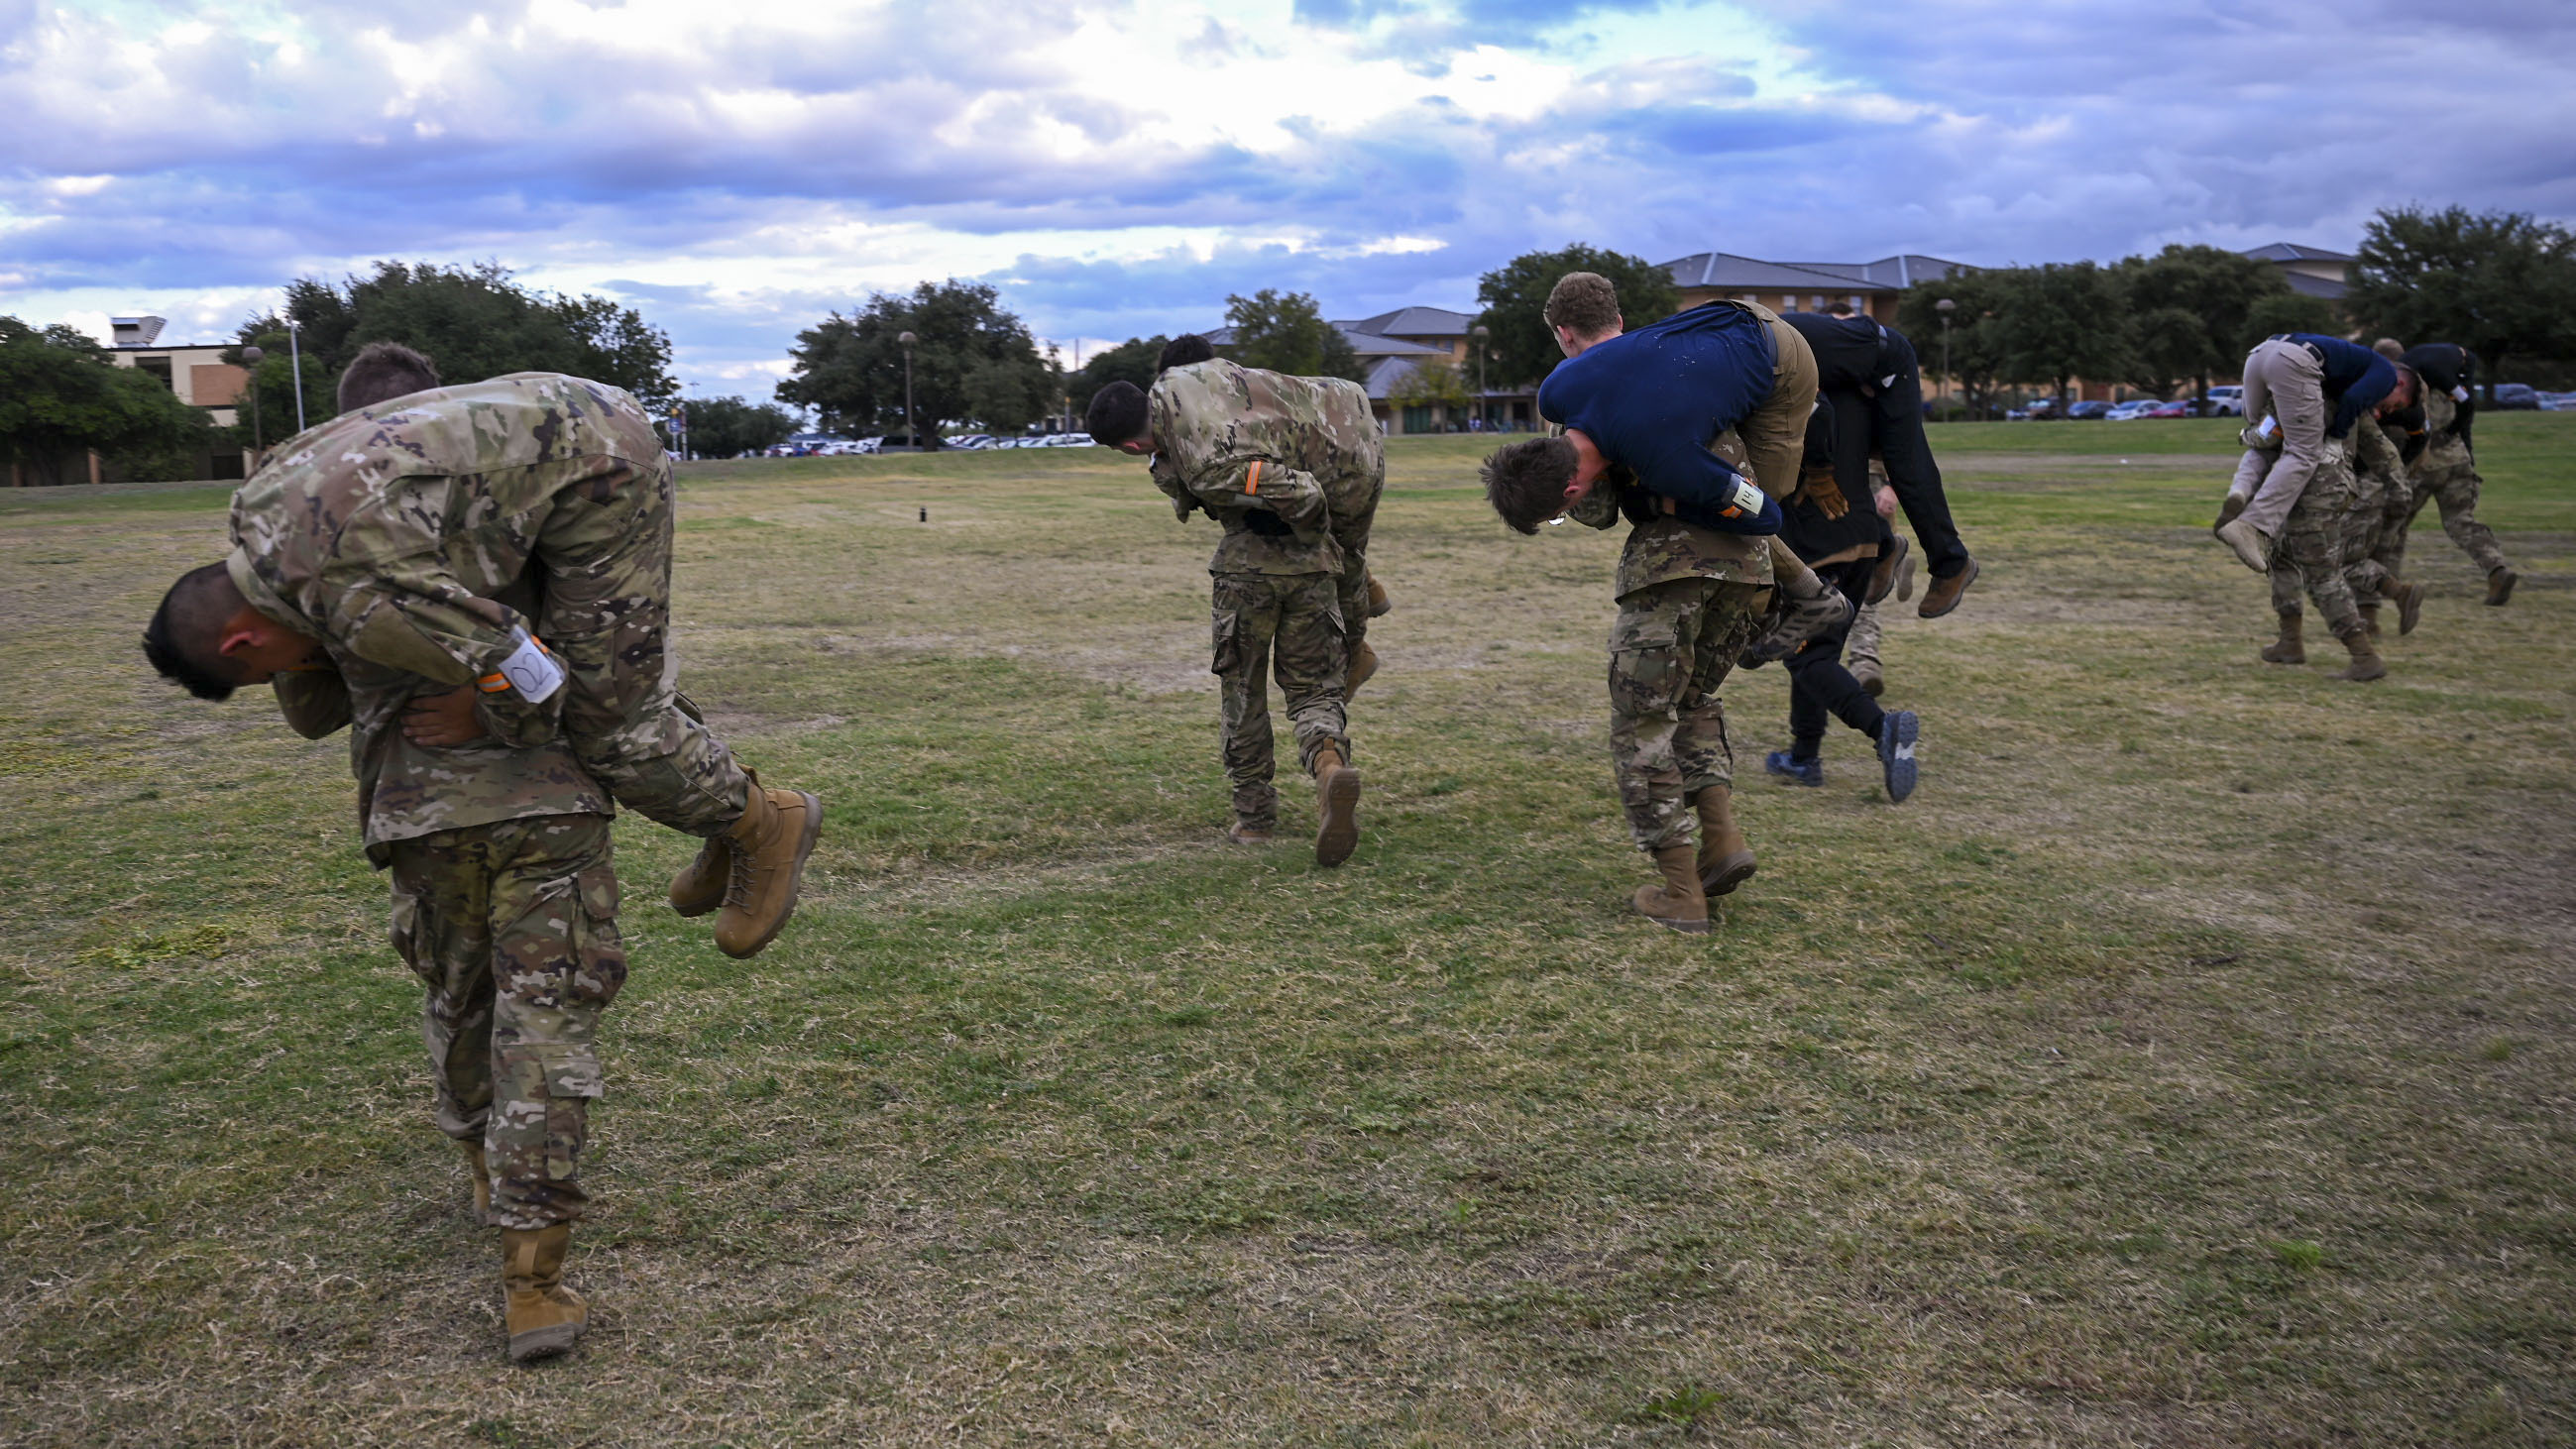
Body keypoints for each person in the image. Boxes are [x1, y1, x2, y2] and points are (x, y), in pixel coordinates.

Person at [142, 372, 824, 959]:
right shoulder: (256, 507)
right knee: (609, 683)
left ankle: (761, 824)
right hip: (552, 413)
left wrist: (485, 710)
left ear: (240, 644)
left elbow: (524, 663)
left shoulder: (356, 598)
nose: (291, 670)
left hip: (606, 470)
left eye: (266, 673)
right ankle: (722, 814)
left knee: (607, 717)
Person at [1481, 423, 1777, 935]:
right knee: (1692, 699)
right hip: (1749, 564)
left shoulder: (1579, 418)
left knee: (1641, 728)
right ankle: (1722, 839)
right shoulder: (1665, 390)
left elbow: (1598, 513)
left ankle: (1683, 895)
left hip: (1672, 569)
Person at [1087, 358, 1378, 865]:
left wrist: (1307, 531)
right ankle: (1329, 766)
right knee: (1313, 689)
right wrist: (1322, 549)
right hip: (1313, 572)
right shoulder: (1193, 389)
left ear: (1130, 446)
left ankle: (1255, 819)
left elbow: (1299, 492)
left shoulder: (1201, 461)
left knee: (1243, 695)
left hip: (1247, 575)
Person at [1157, 333, 1394, 662]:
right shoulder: (1238, 391)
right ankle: (1368, 589)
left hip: (1345, 466)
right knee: (1341, 551)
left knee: (1341, 560)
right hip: (1338, 456)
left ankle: (1356, 656)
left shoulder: (1221, 408)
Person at [1760, 402, 1922, 798]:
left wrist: (1817, 474)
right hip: (1863, 535)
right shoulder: (1857, 385)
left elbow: (1817, 410)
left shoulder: (1784, 371)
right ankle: (1803, 757)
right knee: (1816, 650)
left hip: (1822, 540)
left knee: (1806, 656)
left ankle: (1882, 729)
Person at [1778, 308, 1978, 617]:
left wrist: (1817, 468)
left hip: (1889, 363)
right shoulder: (1736, 347)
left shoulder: (1758, 354)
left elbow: (1813, 405)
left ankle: (1952, 563)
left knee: (1905, 466)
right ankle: (1884, 548)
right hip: (1844, 378)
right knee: (1836, 472)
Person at [2214, 333, 2419, 570]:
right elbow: (2353, 399)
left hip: (2261, 353)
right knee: (2303, 453)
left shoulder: (2354, 365)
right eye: (2399, 403)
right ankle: (2251, 526)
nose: (2391, 409)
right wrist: (2336, 438)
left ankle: (2239, 492)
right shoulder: (2388, 374)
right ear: (2401, 385)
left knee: (2266, 442)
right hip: (2294, 362)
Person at [2371, 341, 2518, 606]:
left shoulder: (2394, 389)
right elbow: (2464, 415)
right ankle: (2496, 569)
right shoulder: (2440, 382)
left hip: (2420, 463)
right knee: (2460, 521)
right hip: (2456, 458)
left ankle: (2387, 586)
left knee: (2394, 526)